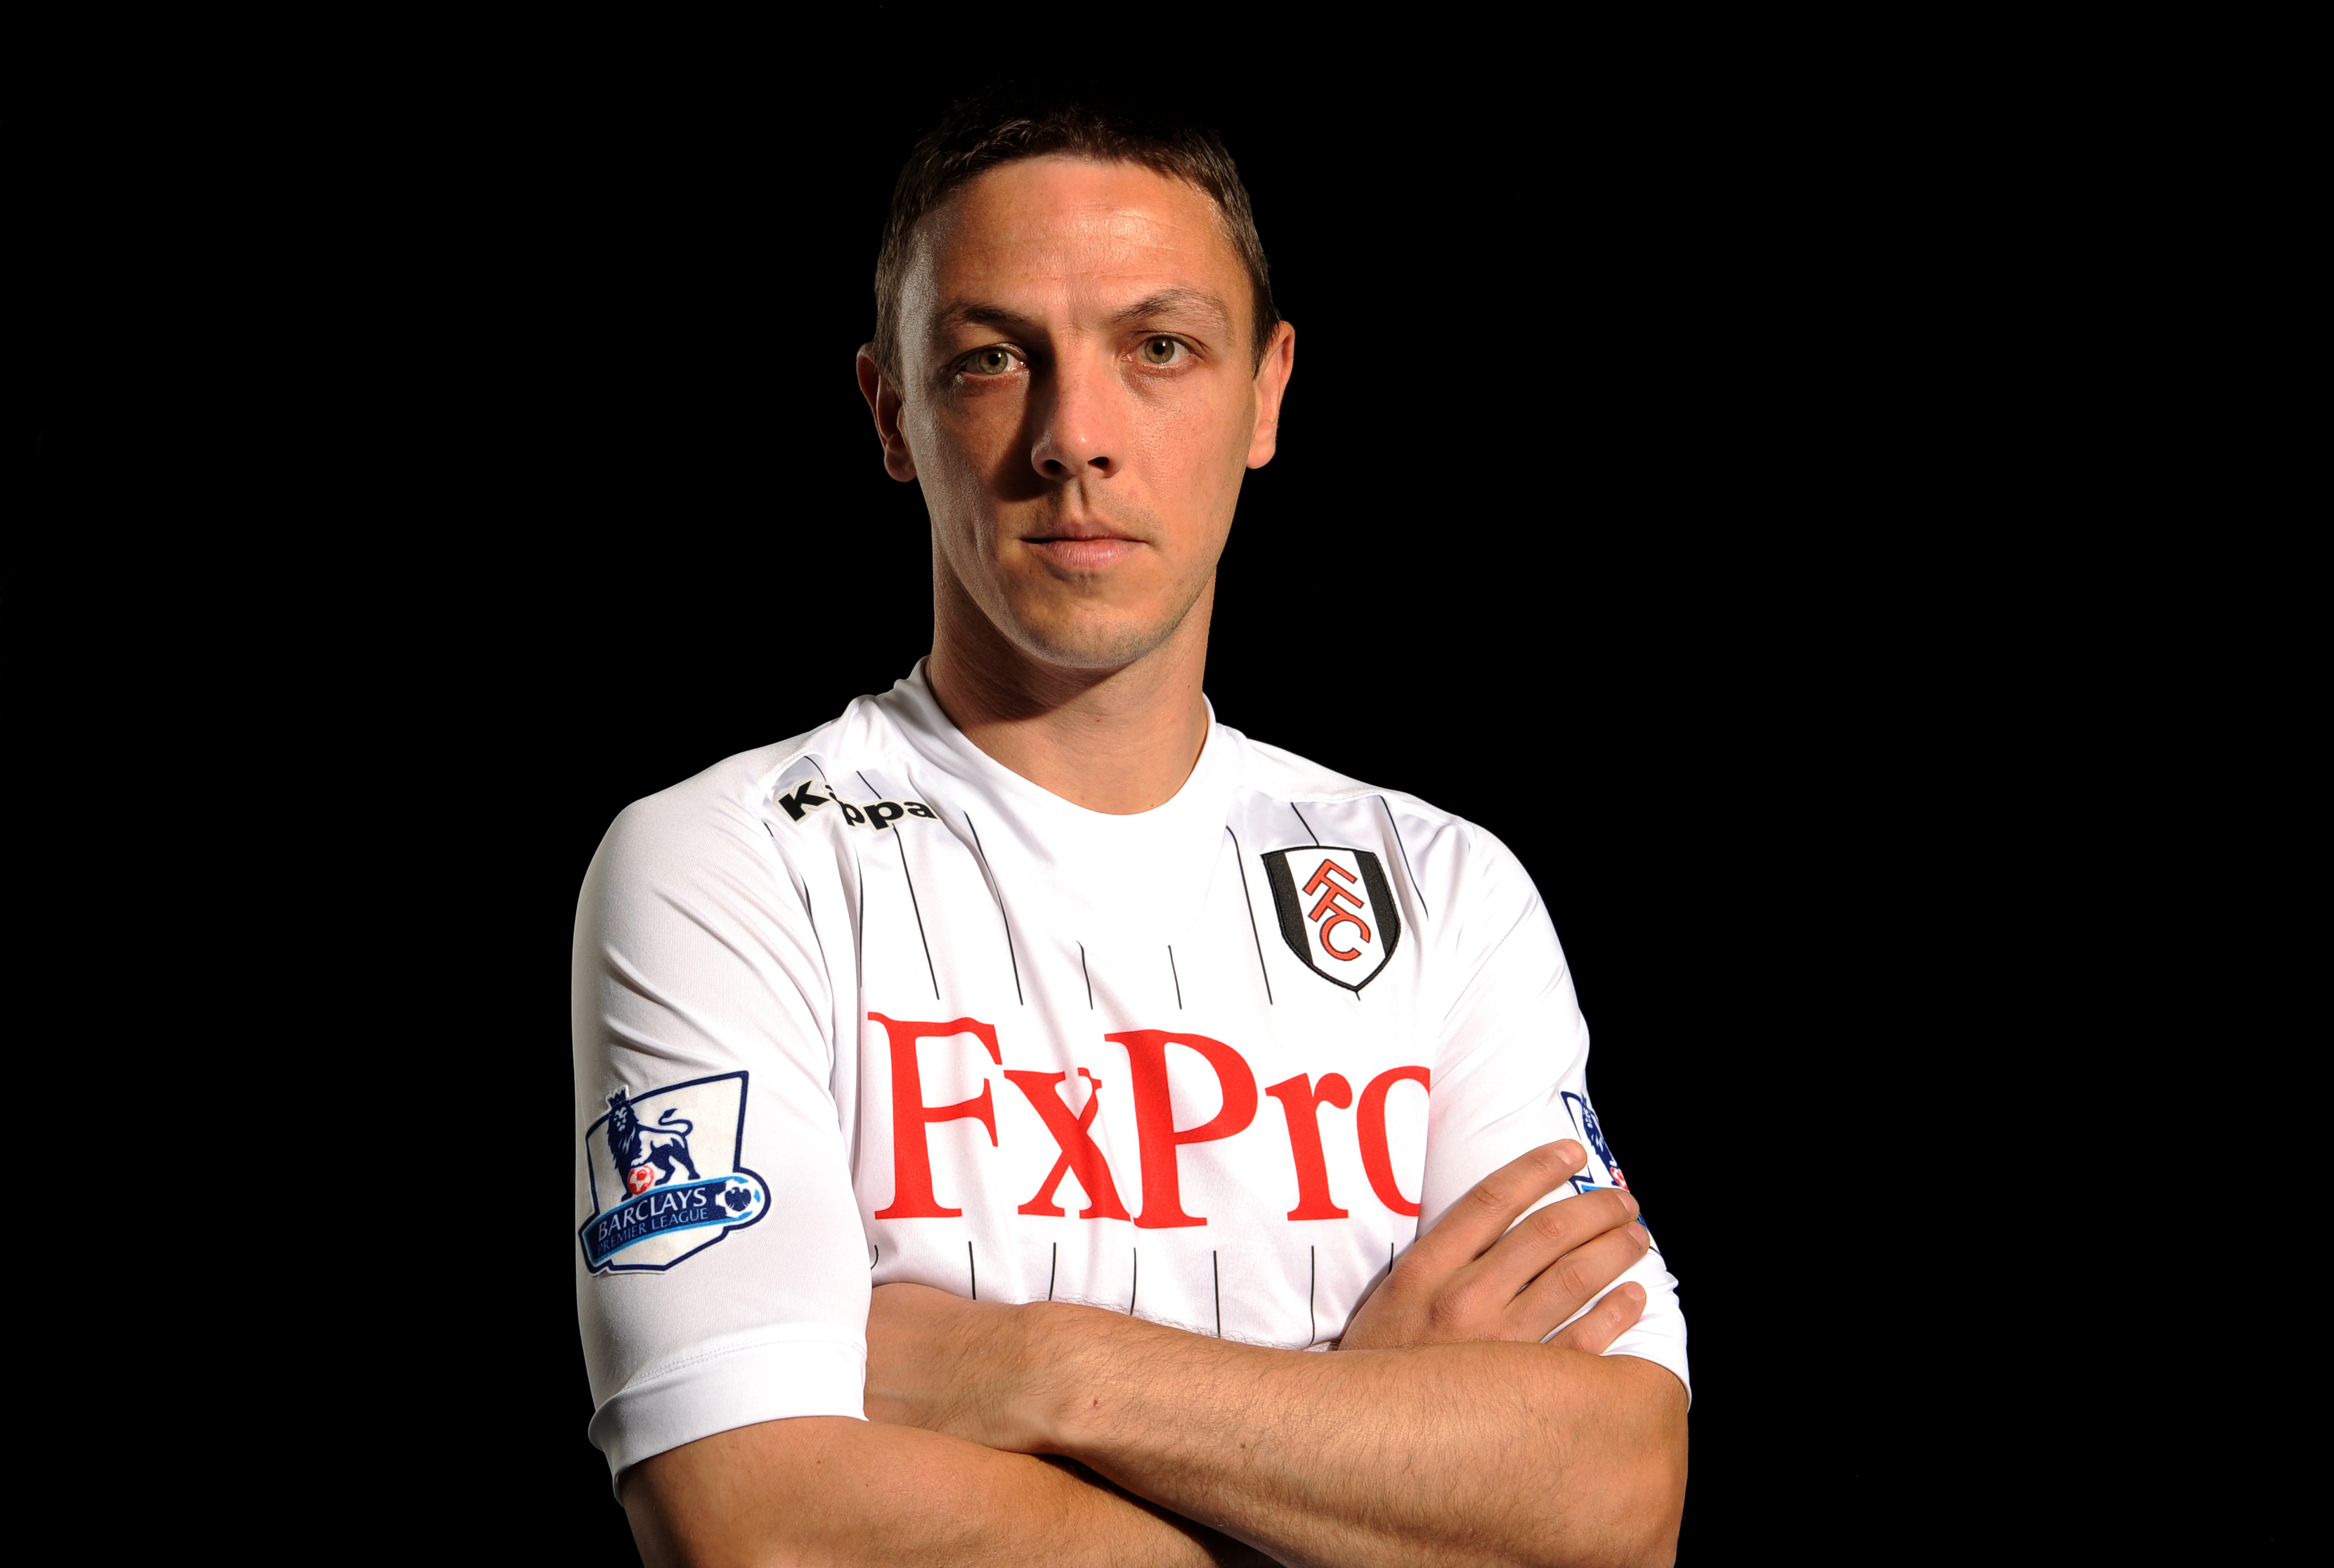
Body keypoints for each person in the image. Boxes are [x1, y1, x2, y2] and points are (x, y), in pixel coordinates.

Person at [573, 87, 1690, 1567]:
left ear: (1266, 393)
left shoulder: (1444, 890)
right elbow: (758, 1525)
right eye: (990, 358)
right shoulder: (727, 864)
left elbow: (1612, 1497)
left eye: (1158, 347)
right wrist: (1366, 1470)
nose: (1074, 439)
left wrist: (1032, 1368)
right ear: (891, 412)